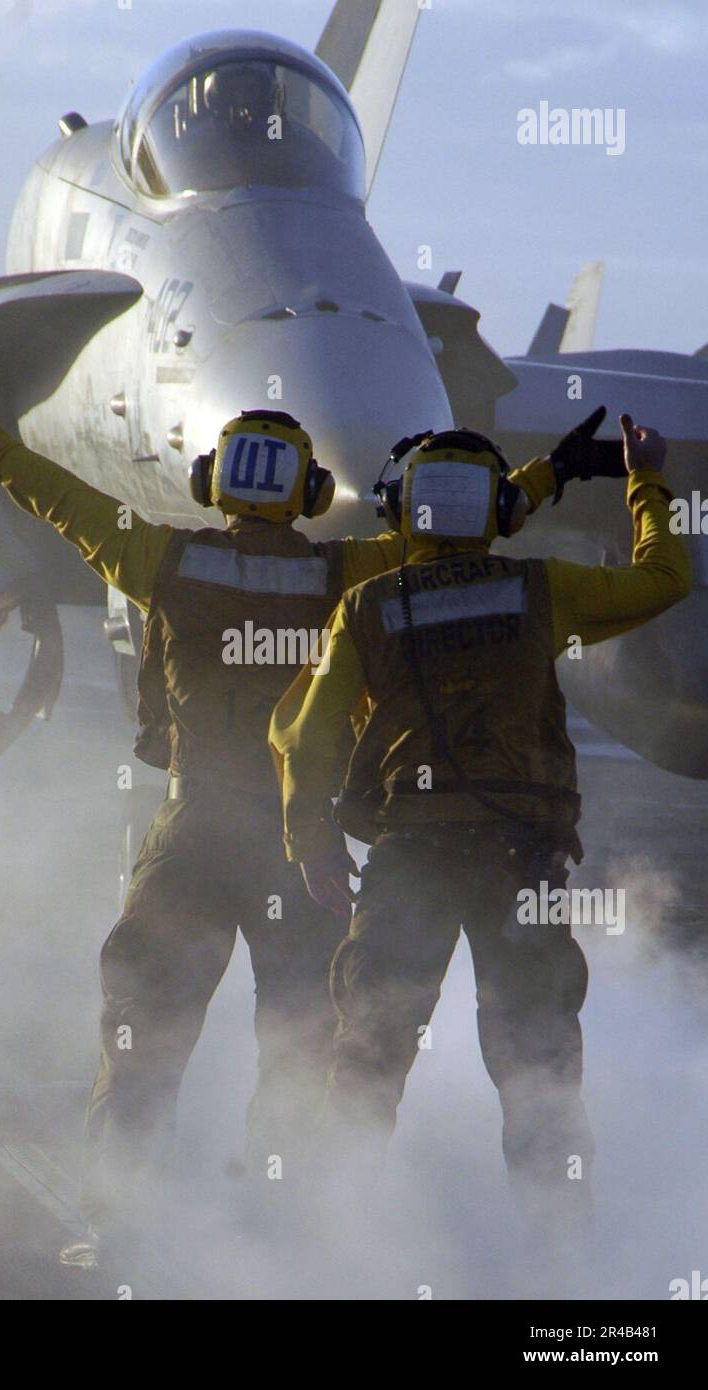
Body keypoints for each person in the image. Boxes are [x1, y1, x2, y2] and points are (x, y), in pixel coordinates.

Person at [0, 358, 447, 1265]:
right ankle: (293, 1230)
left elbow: (59, 498)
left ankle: (117, 1225)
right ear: (308, 493)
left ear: (209, 483)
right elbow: (444, 544)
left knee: (143, 1026)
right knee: (303, 1033)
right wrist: (526, 485)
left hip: (193, 829)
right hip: (295, 840)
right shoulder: (343, 571)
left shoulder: (164, 557)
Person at [270, 412, 691, 1236]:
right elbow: (663, 580)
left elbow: (301, 735)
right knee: (539, 1068)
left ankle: (319, 1257)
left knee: (367, 1061)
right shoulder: (543, 588)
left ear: (397, 512)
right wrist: (645, 482)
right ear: (500, 512)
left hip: (406, 861)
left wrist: (311, 843)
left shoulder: (366, 605)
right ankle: (561, 1274)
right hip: (520, 863)